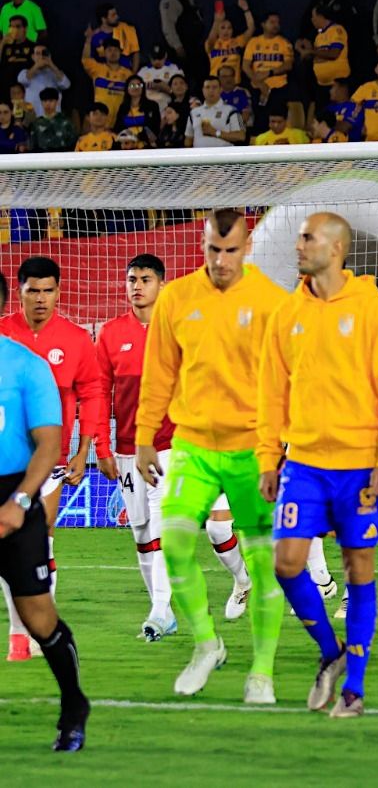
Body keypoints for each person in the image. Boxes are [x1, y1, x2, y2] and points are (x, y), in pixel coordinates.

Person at [132, 212, 292, 701]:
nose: (220, 261)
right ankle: (207, 644)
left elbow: (290, 376)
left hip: (252, 450)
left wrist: (285, 443)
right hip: (193, 447)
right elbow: (159, 372)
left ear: (247, 248)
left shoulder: (272, 302)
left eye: (230, 251)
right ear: (202, 246)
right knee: (175, 544)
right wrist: (142, 436)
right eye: (212, 250)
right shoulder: (177, 298)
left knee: (265, 563)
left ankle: (261, 672)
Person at [257, 213, 378, 718]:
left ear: (336, 248)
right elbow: (271, 394)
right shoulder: (286, 313)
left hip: (360, 467)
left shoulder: (373, 310)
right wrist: (267, 457)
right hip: (302, 463)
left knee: (358, 568)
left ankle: (355, 689)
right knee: (286, 563)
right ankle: (330, 652)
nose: (298, 245)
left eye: (308, 237)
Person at [100, 254, 252, 642]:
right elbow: (99, 391)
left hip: (175, 445)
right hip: (127, 449)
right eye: (131, 278)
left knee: (180, 526)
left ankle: (162, 610)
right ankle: (167, 607)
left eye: (145, 279)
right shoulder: (112, 334)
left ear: (161, 285)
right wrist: (102, 443)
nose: (137, 285)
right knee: (142, 533)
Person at [0, 258, 110, 662]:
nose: (41, 299)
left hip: (50, 460)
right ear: (20, 292)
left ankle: (23, 635)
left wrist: (87, 449)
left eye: (49, 291)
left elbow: (93, 394)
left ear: (59, 292)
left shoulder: (77, 339)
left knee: (38, 538)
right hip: (5, 460)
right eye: (34, 291)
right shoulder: (3, 334)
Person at [0, 269, 88, 750]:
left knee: (39, 617)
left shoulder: (26, 366)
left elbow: (49, 445)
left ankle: (74, 704)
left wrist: (19, 502)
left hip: (15, 495)